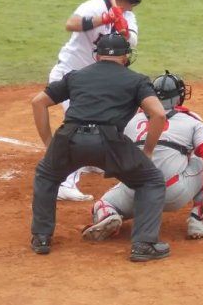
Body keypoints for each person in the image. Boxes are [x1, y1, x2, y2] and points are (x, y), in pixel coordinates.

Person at [29, 31, 171, 262]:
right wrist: (147, 151)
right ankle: (144, 244)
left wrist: (49, 144)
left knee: (47, 175)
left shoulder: (76, 76)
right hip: (110, 142)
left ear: (97, 55)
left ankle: (41, 238)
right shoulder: (137, 80)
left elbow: (38, 102)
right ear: (126, 57)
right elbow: (158, 114)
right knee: (150, 180)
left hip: (70, 138)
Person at [81, 70, 203, 243]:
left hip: (135, 191)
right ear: (179, 97)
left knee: (104, 203)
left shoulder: (131, 120)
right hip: (172, 193)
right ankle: (200, 220)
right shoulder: (191, 120)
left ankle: (107, 215)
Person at [50, 0, 147, 201]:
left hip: (93, 83)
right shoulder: (94, 6)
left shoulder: (128, 16)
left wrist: (121, 26)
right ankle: (64, 183)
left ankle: (92, 159)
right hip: (69, 77)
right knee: (79, 125)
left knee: (98, 122)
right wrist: (103, 19)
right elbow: (71, 24)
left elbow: (131, 41)